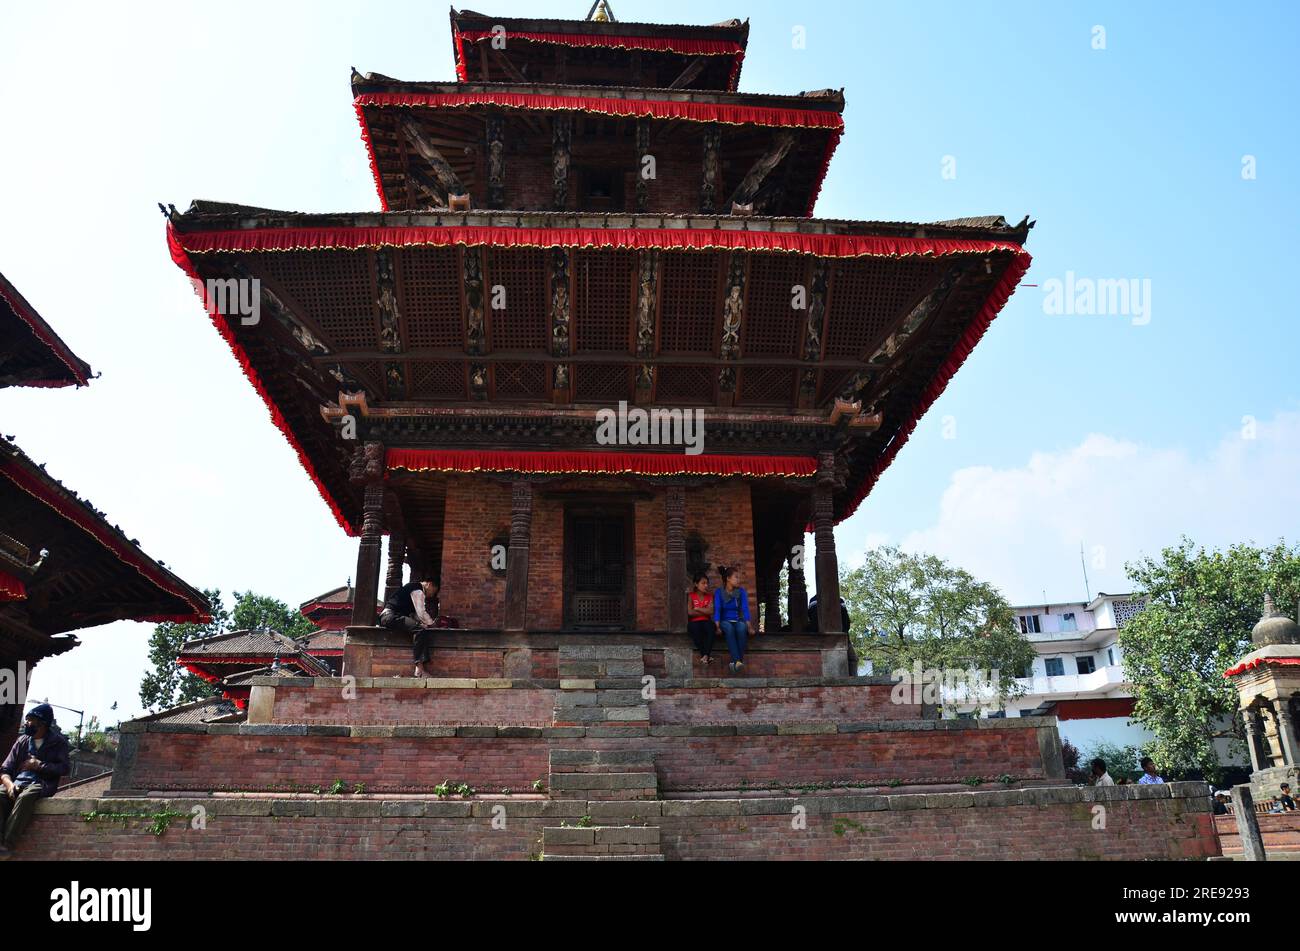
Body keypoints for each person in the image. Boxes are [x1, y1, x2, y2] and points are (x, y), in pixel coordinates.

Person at [0, 703, 70, 858]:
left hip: (41, 784)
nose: (27, 723)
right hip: (18, 782)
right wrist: (10, 785)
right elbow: (5, 770)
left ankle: (6, 844)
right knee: (0, 794)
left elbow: (64, 768)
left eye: (30, 720)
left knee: (26, 796)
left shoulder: (58, 743)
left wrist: (39, 765)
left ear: (43, 723)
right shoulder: (22, 741)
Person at [379, 576, 440, 677]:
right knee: (420, 630)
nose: (432, 594)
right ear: (429, 584)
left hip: (391, 617)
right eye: (434, 591)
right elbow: (421, 613)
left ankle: (420, 670)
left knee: (420, 629)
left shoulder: (413, 589)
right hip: (390, 616)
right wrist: (432, 624)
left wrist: (426, 624)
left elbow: (415, 615)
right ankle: (419, 670)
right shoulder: (417, 590)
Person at [713, 565, 754, 674]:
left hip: (738, 620)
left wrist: (749, 626)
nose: (738, 580)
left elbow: (745, 609)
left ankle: (735, 663)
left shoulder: (741, 592)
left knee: (742, 628)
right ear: (728, 578)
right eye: (736, 577)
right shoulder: (719, 592)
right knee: (729, 629)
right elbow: (717, 609)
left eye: (738, 577)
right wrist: (716, 626)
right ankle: (738, 661)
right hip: (724, 621)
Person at [686, 572, 715, 665]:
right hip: (694, 622)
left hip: (707, 621)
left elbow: (711, 611)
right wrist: (704, 610)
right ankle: (706, 655)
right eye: (703, 583)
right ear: (696, 584)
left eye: (707, 583)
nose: (706, 585)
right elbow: (690, 612)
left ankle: (705, 656)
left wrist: (698, 608)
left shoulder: (710, 596)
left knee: (711, 629)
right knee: (694, 629)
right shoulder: (691, 596)